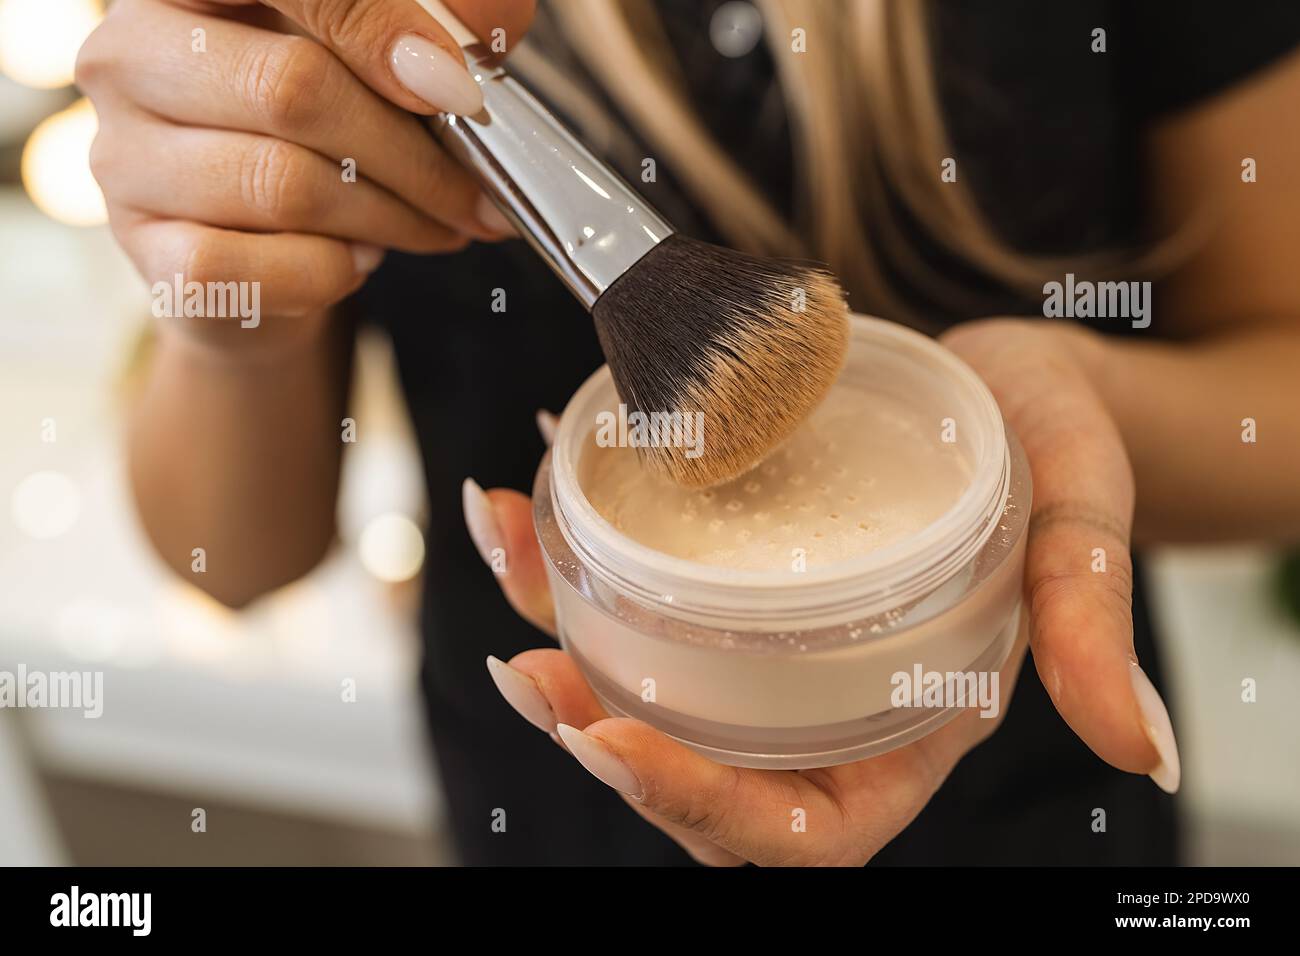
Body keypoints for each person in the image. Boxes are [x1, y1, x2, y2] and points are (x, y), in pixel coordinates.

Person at [77, 0, 1300, 865]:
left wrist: (1081, 391)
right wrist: (235, 322)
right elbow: (227, 558)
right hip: (553, 794)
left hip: (1018, 786)